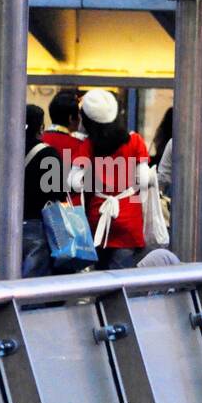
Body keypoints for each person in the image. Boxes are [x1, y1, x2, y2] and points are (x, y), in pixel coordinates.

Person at [75, 88, 149, 269]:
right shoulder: (135, 141)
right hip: (128, 217)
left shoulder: (88, 145)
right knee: (121, 279)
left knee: (100, 277)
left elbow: (74, 182)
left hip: (98, 216)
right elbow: (144, 180)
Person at [22, 104, 65, 278]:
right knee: (33, 281)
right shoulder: (47, 154)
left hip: (5, 226)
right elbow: (59, 191)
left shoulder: (3, 150)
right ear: (41, 128)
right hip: (37, 224)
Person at [40, 88, 91, 202]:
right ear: (70, 118)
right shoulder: (79, 146)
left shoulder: (39, 140)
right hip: (69, 210)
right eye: (78, 115)